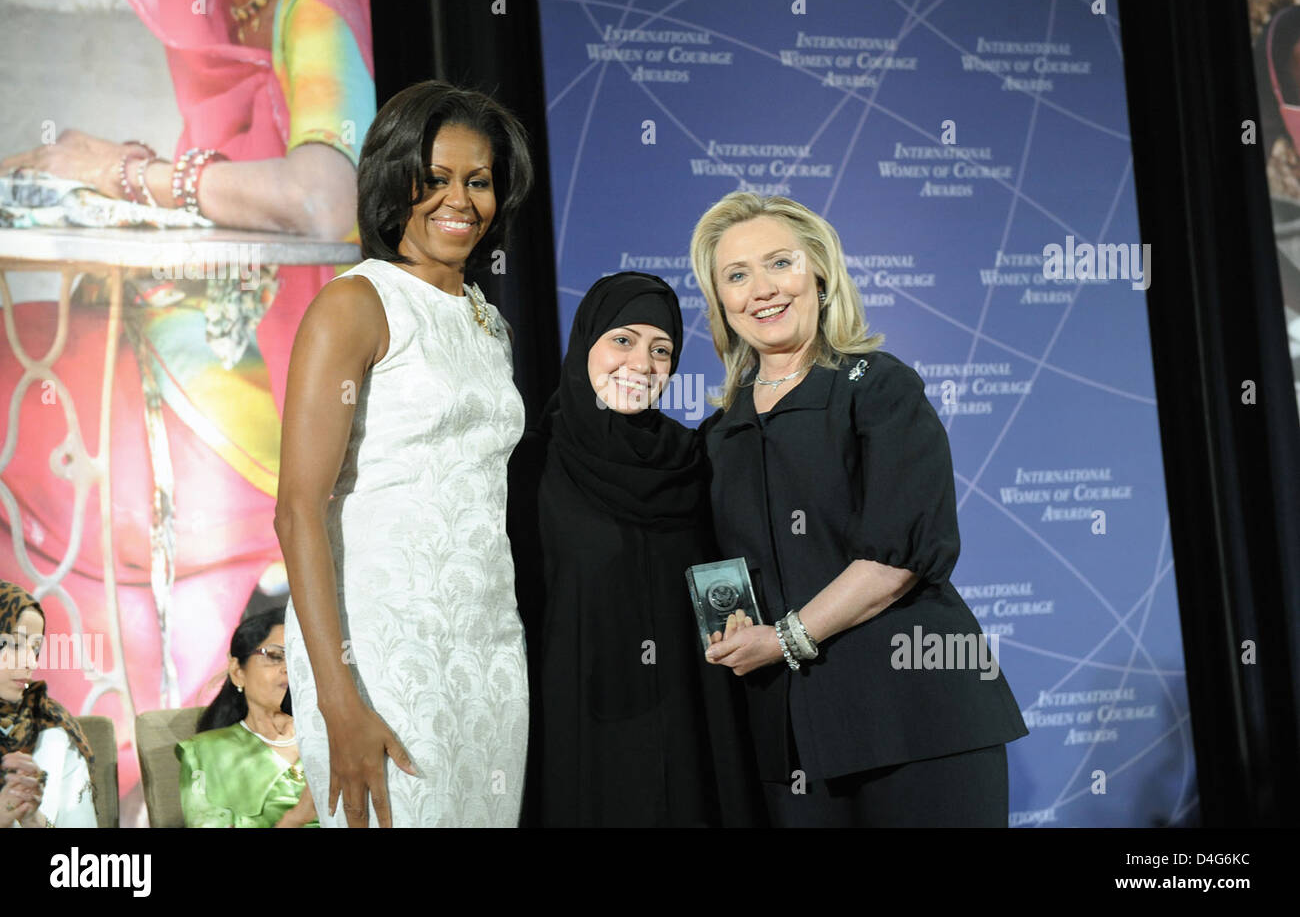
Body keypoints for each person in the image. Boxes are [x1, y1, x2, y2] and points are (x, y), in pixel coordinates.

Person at [0, 0, 378, 785]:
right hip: (214, 341)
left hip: (272, 393)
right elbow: (232, 200)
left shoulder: (308, 6)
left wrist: (122, 173)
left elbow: (323, 201)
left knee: (14, 383)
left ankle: (83, 761)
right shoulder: (231, 3)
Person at [692, 193, 1029, 827]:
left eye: (780, 263)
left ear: (819, 276)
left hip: (917, 719)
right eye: (736, 275)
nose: (761, 289)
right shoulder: (716, 435)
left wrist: (784, 639)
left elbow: (896, 557)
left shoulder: (878, 387)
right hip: (791, 742)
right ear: (720, 303)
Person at [276, 81, 534, 827]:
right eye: (435, 178)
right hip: (379, 653)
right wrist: (336, 699)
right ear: (395, 181)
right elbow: (298, 511)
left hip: (486, 648)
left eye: (478, 181)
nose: (459, 200)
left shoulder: (489, 323)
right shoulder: (355, 305)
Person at [508, 272, 764, 827]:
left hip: (692, 721)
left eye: (662, 349)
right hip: (581, 729)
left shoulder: (692, 459)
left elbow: (719, 581)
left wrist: (736, 621)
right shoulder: (529, 466)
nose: (642, 364)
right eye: (623, 340)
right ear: (586, 345)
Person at [175, 608, 317, 827]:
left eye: (300, 658)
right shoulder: (204, 754)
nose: (289, 668)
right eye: (275, 656)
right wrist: (295, 819)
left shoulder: (334, 741)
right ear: (238, 672)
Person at [0, 581, 97, 829]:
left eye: (35, 648)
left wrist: (35, 821)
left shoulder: (52, 727)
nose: (31, 662)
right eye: (16, 644)